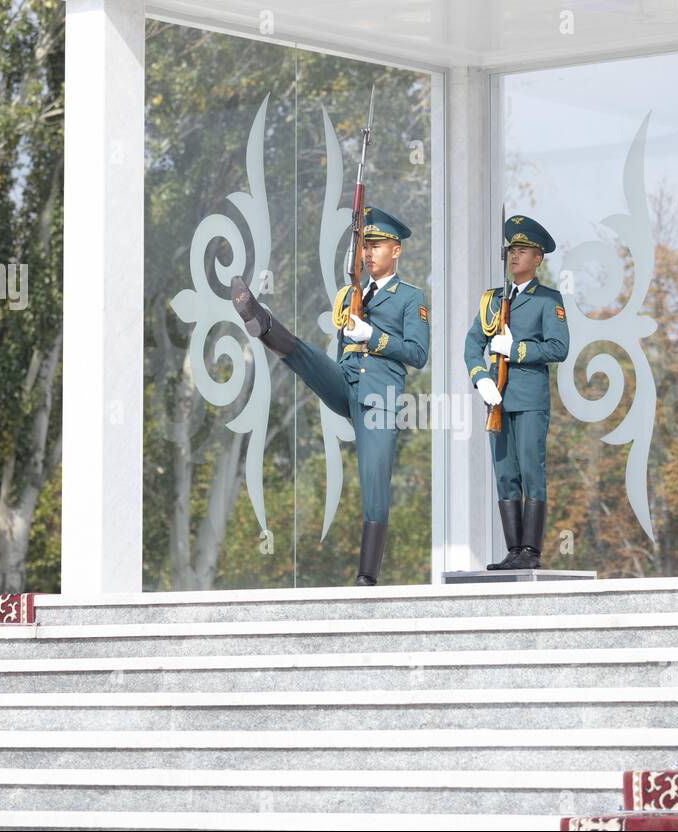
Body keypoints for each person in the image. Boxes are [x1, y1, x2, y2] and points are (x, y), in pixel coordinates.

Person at [231, 206, 429, 585]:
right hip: (346, 381)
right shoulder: (351, 295)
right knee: (305, 355)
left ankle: (367, 577)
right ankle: (262, 321)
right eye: (365, 246)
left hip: (379, 400)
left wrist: (373, 337)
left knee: (374, 482)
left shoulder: (410, 297)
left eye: (377, 245)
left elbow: (418, 354)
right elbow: (341, 350)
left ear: (397, 250)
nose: (369, 253)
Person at [464, 214, 570, 570]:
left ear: (538, 258)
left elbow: (559, 347)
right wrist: (481, 378)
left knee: (530, 469)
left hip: (528, 399)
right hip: (497, 400)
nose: (514, 257)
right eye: (511, 250)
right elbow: (471, 344)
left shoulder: (547, 300)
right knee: (504, 472)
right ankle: (514, 550)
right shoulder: (492, 300)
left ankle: (532, 551)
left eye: (522, 251)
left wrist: (518, 350)